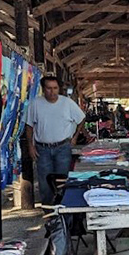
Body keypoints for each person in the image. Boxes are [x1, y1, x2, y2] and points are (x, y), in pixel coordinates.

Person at [25, 75, 85, 206]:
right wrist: (30, 145)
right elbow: (29, 126)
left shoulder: (67, 103)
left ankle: (63, 209)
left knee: (62, 180)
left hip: (62, 147)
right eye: (49, 88)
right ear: (43, 89)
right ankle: (49, 211)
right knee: (45, 182)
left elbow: (81, 118)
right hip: (42, 148)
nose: (52, 92)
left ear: (59, 89)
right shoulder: (35, 104)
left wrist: (74, 137)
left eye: (55, 88)